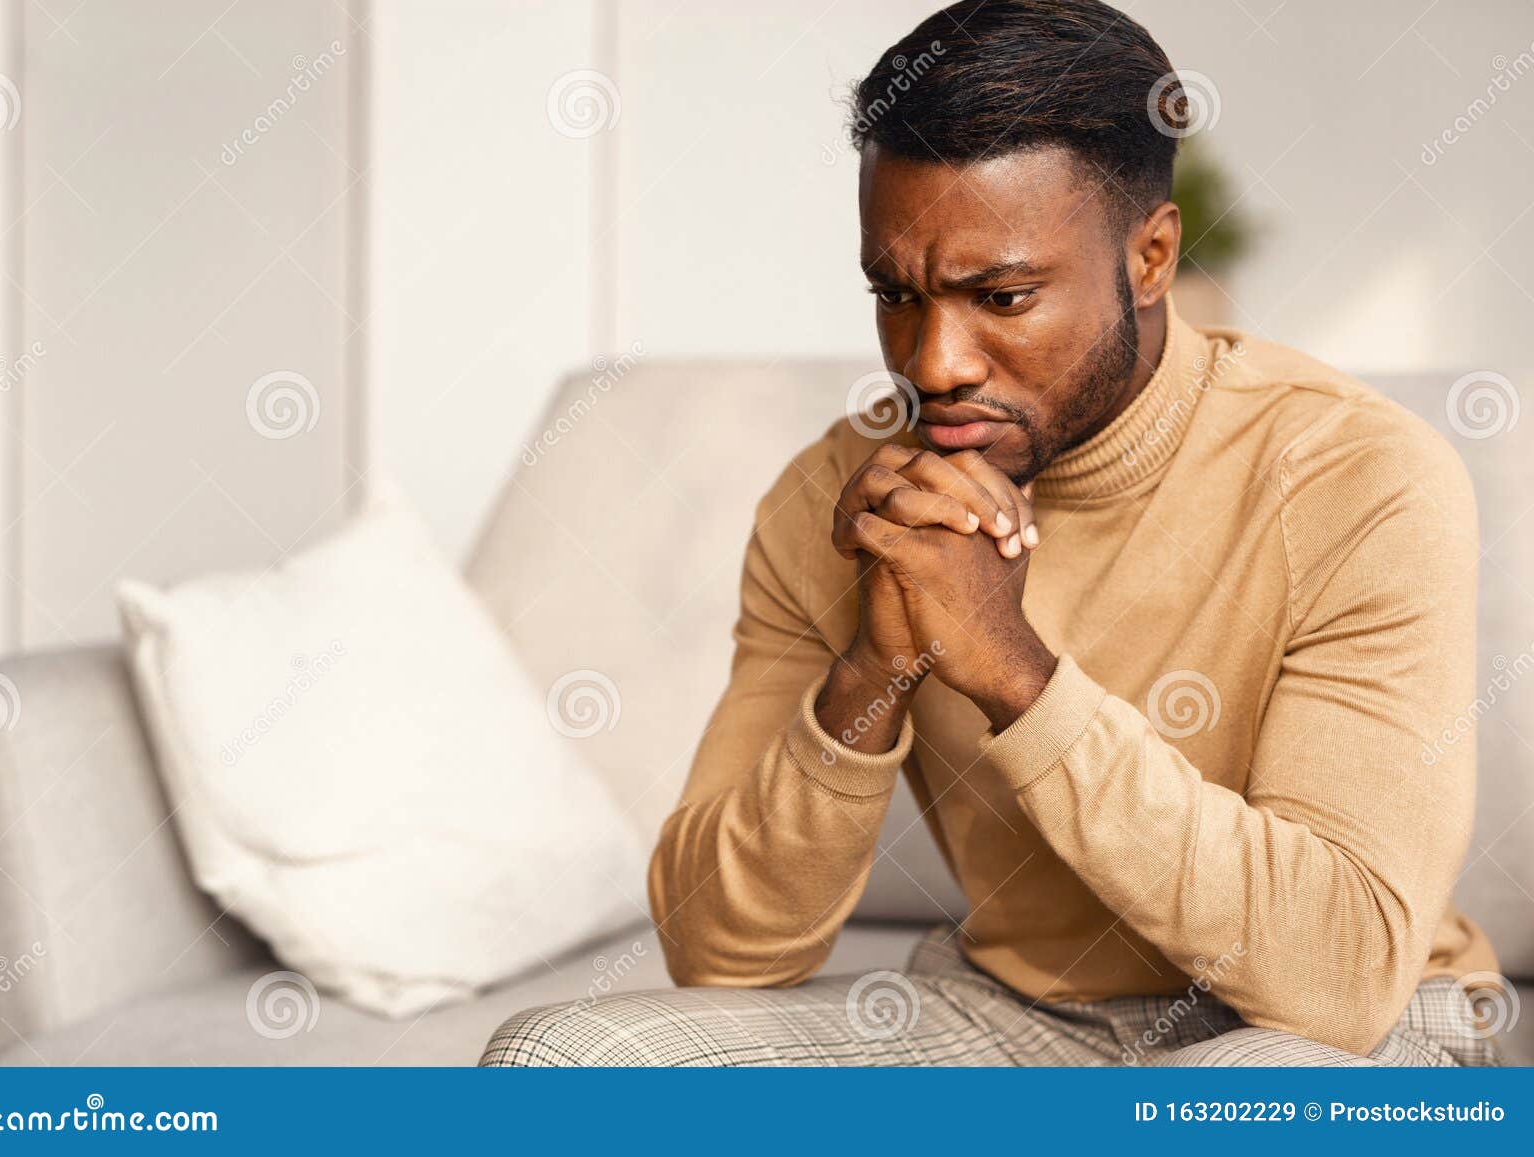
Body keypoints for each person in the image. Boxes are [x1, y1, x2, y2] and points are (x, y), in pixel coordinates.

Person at [482, 0, 1501, 1067]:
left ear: (1149, 257)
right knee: (558, 1059)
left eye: (1001, 296)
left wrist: (1012, 670)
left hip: (1336, 1033)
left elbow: (1336, 978)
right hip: (1015, 1019)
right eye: (896, 295)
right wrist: (874, 666)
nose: (932, 364)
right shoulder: (841, 495)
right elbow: (718, 950)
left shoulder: (1358, 477)